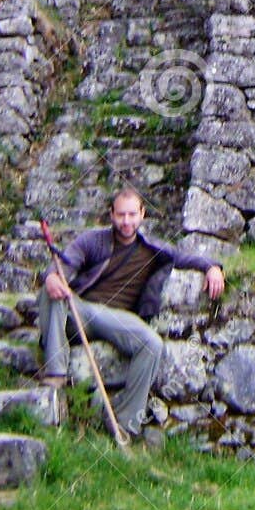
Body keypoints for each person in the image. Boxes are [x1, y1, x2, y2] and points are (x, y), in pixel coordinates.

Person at [37, 186, 224, 443]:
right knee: (50, 291)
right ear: (111, 215)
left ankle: (125, 423)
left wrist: (212, 268)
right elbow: (67, 263)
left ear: (142, 215)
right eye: (121, 215)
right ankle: (55, 373)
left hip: (117, 319)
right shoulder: (93, 240)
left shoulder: (152, 248)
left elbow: (185, 258)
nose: (126, 221)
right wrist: (53, 278)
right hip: (81, 311)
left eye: (132, 215)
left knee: (152, 344)